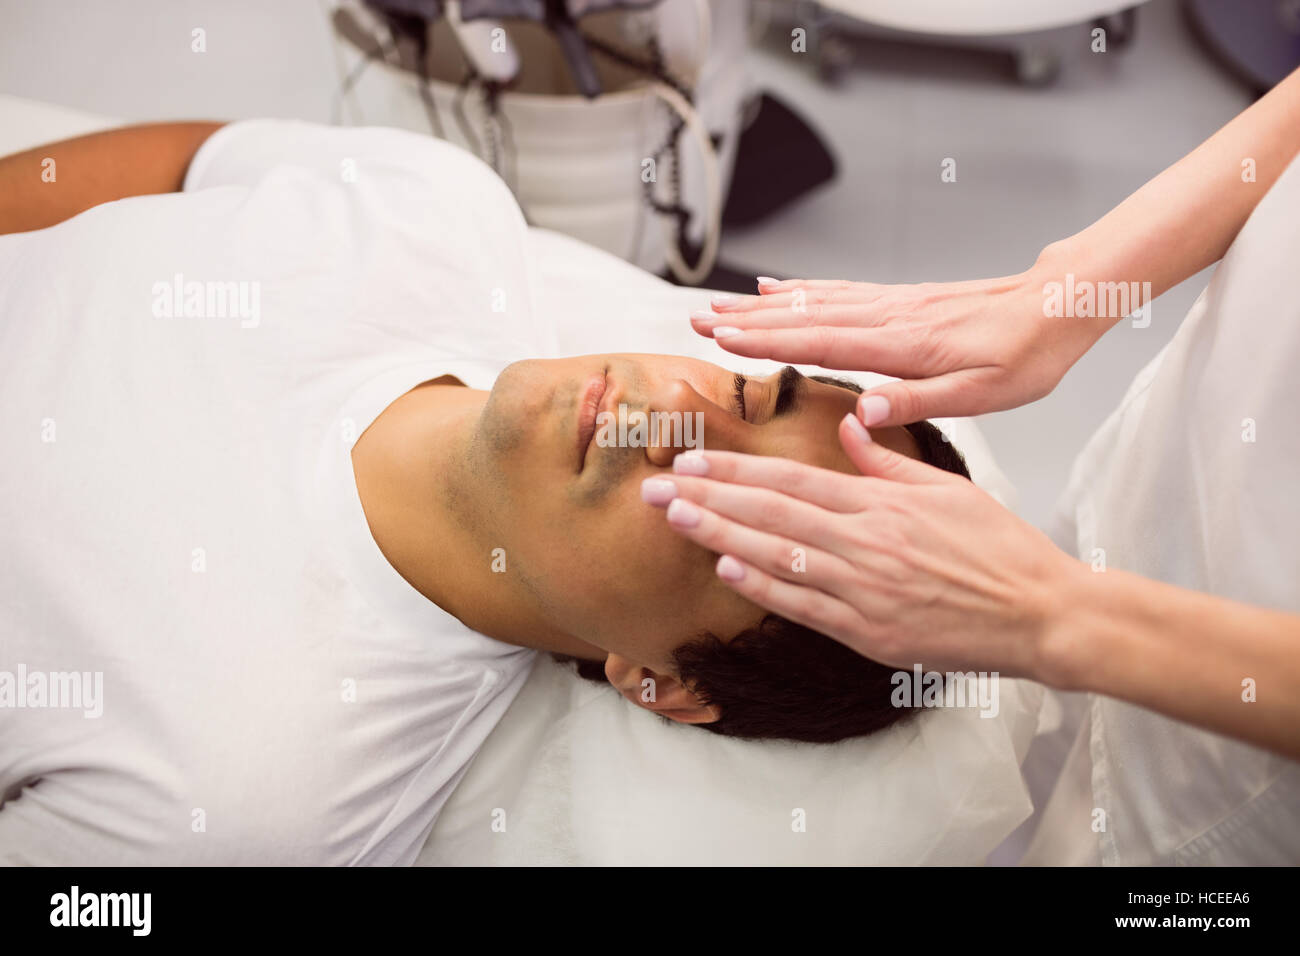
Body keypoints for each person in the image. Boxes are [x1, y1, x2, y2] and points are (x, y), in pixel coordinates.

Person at [0, 119, 970, 865]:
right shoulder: (431, 211)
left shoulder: (241, 793)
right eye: (747, 396)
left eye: (730, 502)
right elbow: (187, 160)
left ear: (666, 681)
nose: (673, 410)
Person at [653, 66, 1300, 864]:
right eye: (751, 401)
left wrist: (1055, 616)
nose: (665, 418)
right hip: (1196, 465)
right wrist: (1063, 289)